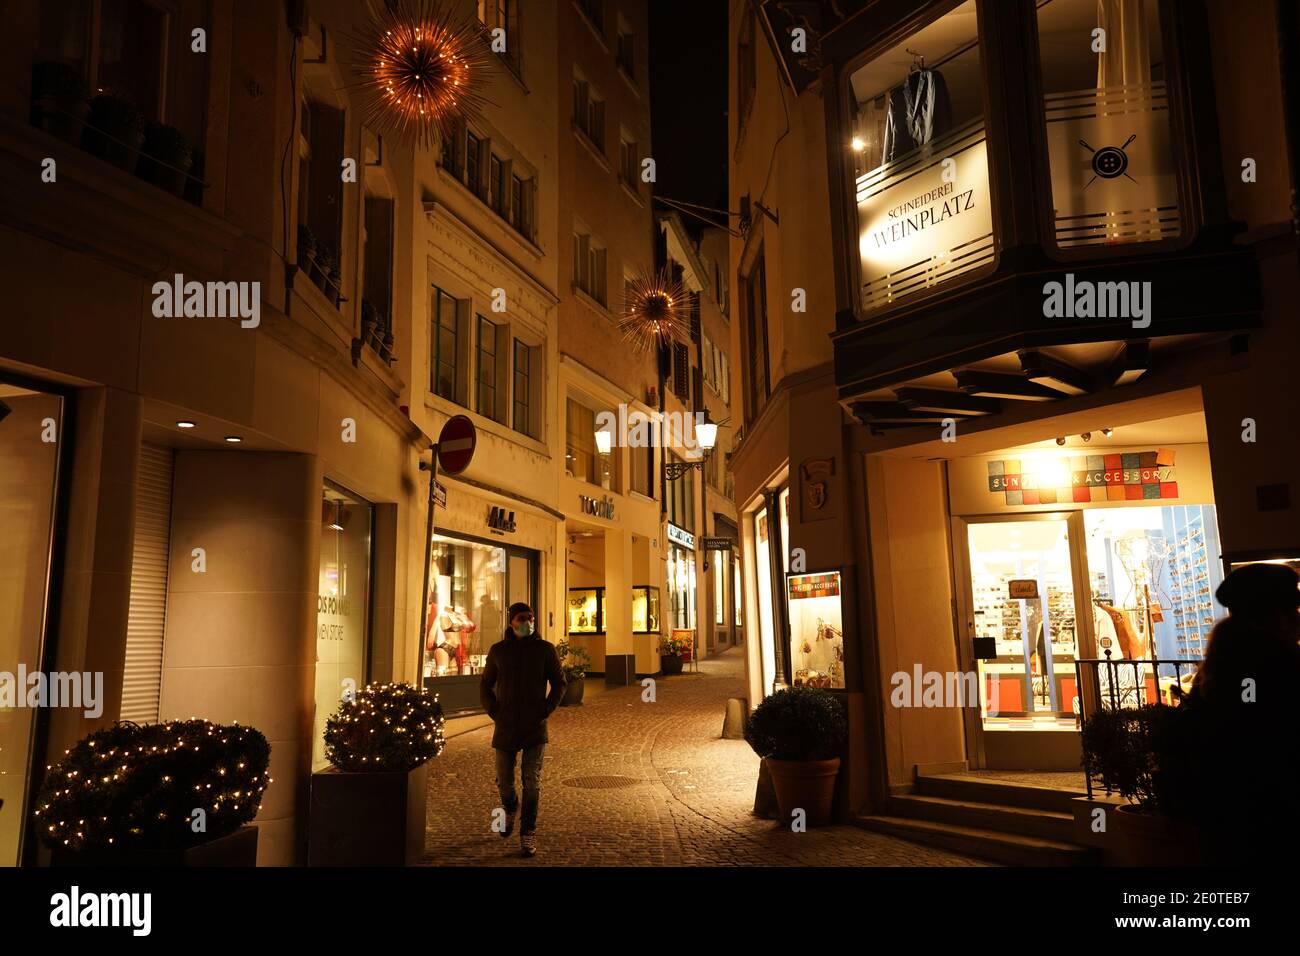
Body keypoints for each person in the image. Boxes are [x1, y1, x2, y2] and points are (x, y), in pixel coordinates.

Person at [1172, 562, 1300, 865]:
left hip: (1225, 823)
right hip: (1274, 824)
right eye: (1292, 610)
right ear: (1276, 617)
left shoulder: (1217, 671)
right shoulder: (1280, 669)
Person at [479, 601, 565, 857]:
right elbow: (485, 684)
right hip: (505, 726)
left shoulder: (545, 650)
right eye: (521, 618)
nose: (527, 622)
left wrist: (546, 709)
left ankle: (528, 832)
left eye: (530, 617)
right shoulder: (498, 651)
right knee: (504, 782)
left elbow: (560, 683)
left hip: (534, 727)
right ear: (511, 622)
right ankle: (510, 806)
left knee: (532, 780)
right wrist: (493, 711)